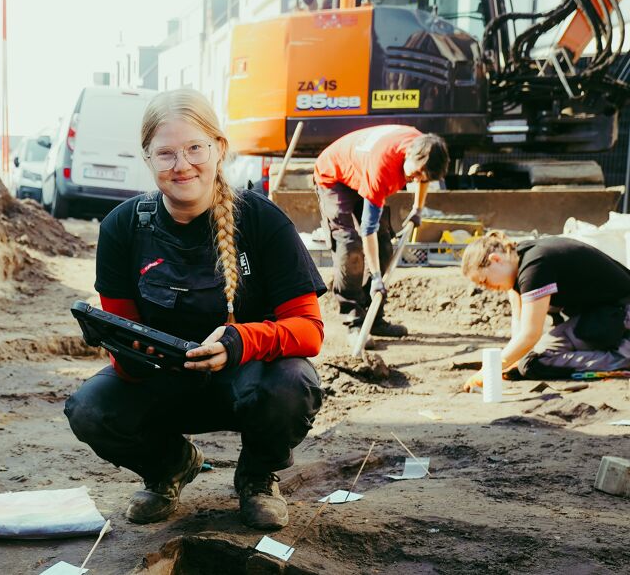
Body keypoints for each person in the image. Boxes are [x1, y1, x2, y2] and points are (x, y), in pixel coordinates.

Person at [63, 89, 327, 531]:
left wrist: (240, 340)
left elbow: (309, 331)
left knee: (293, 383)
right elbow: (126, 356)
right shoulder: (121, 228)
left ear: (219, 148)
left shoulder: (263, 221)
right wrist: (118, 345)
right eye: (165, 153)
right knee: (89, 408)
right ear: (147, 159)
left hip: (248, 384)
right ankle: (169, 467)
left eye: (194, 148)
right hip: (164, 384)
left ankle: (257, 478)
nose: (181, 165)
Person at [313, 124, 449, 347]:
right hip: (335, 177)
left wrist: (418, 209)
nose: (415, 179)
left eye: (421, 177)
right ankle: (354, 321)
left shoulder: (424, 148)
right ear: (409, 155)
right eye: (413, 174)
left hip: (361, 174)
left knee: (385, 245)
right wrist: (377, 276)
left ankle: (373, 317)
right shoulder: (384, 166)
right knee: (350, 247)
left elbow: (423, 178)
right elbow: (368, 229)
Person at [460, 232, 630, 389]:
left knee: (534, 363)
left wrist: (490, 370)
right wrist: (510, 360)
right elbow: (519, 327)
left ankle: (622, 358)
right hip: (601, 314)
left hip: (620, 312)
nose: (488, 288)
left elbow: (530, 334)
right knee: (526, 362)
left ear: (495, 259)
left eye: (484, 281)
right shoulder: (519, 261)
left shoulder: (534, 266)